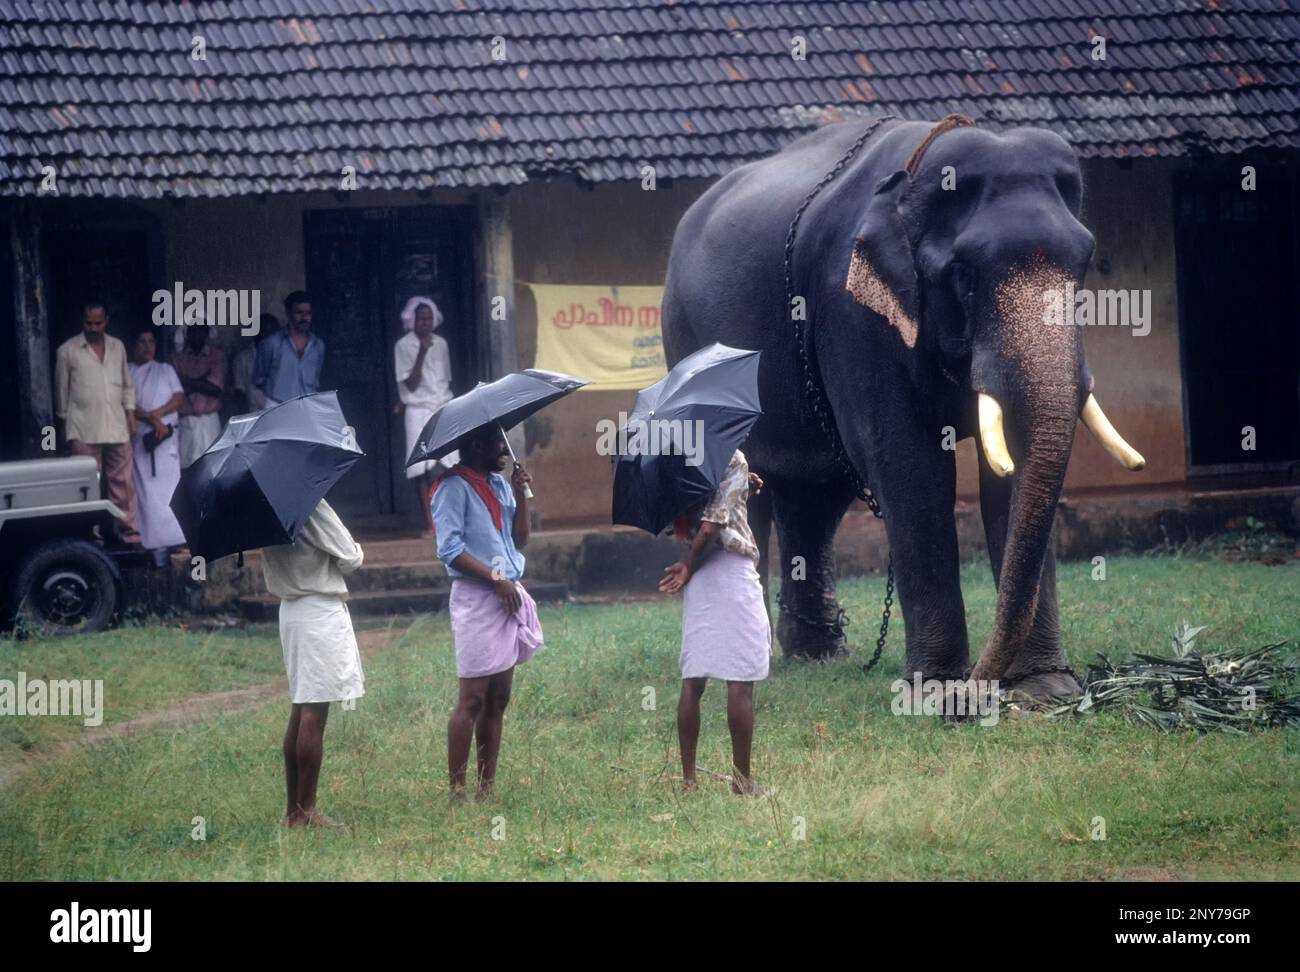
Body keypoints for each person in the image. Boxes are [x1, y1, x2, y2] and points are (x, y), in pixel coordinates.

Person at [430, 423, 540, 800]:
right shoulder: (451, 488)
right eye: (496, 443)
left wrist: (520, 493)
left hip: (507, 594)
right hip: (479, 598)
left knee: (498, 698)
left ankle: (486, 788)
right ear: (475, 446)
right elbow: (449, 550)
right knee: (472, 698)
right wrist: (495, 579)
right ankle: (457, 790)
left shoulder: (497, 484)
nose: (503, 450)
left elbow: (518, 539)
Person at [659, 449, 770, 795]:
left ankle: (689, 781)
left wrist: (741, 490)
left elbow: (696, 521)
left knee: (694, 680)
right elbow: (712, 527)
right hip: (729, 571)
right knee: (741, 678)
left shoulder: (678, 458)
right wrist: (690, 565)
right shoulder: (731, 457)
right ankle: (742, 782)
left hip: (701, 579)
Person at [260, 498, 365, 828]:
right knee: (313, 712)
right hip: (317, 609)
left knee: (301, 707)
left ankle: (295, 811)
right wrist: (353, 549)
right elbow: (351, 558)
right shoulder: (310, 503)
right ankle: (305, 811)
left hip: (290, 610)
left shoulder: (265, 504)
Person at [54, 300, 141, 546]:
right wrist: (63, 426)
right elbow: (61, 394)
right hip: (83, 427)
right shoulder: (67, 351)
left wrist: (131, 413)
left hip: (117, 424)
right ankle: (90, 534)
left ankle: (129, 531)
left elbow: (127, 384)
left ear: (106, 321)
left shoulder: (118, 347)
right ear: (82, 321)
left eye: (98, 323)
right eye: (88, 323)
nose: (93, 328)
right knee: (87, 484)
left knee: (123, 482)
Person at [394, 296, 457, 534]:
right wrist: (421, 352)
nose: (425, 323)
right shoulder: (403, 346)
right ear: (412, 320)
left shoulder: (441, 344)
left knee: (449, 464)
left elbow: (444, 381)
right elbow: (410, 385)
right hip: (417, 410)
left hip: (442, 406)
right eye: (421, 319)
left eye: (429, 319)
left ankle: (450, 523)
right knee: (422, 470)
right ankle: (430, 525)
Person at [127, 331, 187, 563]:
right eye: (142, 342)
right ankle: (150, 542)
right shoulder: (128, 371)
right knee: (144, 492)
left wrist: (158, 417)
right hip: (142, 437)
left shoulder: (165, 370)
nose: (147, 346)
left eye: (151, 341)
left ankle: (176, 539)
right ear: (134, 346)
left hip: (166, 439)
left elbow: (179, 397)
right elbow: (128, 403)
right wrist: (153, 421)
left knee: (170, 489)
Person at [254, 291, 324, 408]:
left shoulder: (318, 345)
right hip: (276, 407)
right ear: (288, 313)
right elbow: (258, 380)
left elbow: (315, 380)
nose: (305, 317)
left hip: (308, 407)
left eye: (308, 313)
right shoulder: (271, 344)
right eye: (299, 313)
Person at [173, 323, 226, 467]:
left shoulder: (217, 356)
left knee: (213, 468)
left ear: (207, 332)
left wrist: (187, 381)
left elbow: (215, 389)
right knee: (186, 468)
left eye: (201, 329)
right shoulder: (178, 358)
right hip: (186, 421)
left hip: (210, 420)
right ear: (187, 332)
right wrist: (202, 381)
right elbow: (176, 391)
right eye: (193, 329)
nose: (197, 333)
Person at [229, 314, 275, 415]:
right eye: (267, 332)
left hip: (279, 416)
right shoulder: (243, 359)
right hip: (254, 415)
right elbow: (239, 392)